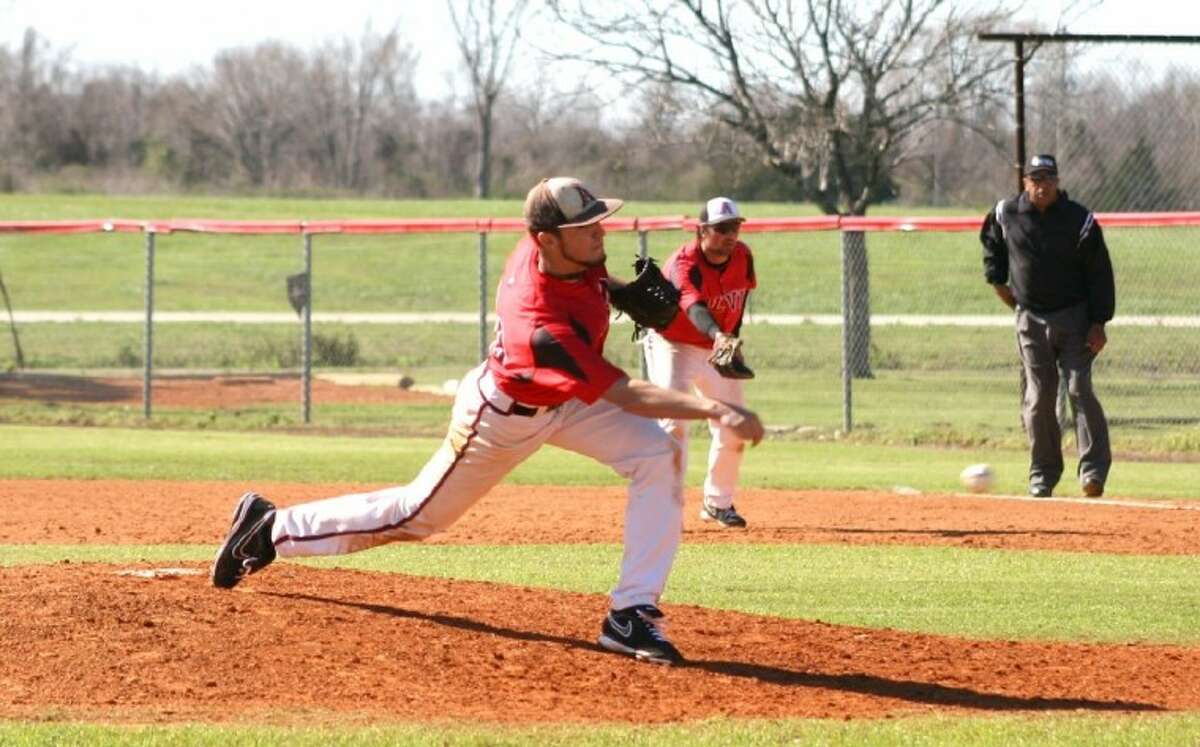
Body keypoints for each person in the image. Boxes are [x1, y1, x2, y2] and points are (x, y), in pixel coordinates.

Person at [210, 176, 765, 666]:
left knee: (658, 455)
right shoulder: (539, 323)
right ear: (548, 239)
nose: (601, 231)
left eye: (601, 220)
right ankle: (270, 530)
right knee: (415, 516)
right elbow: (625, 393)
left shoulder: (559, 253)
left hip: (566, 400)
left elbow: (598, 286)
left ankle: (631, 613)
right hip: (504, 416)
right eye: (587, 225)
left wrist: (625, 292)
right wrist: (716, 406)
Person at [980, 154, 1115, 498]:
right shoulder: (1007, 213)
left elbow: (1099, 273)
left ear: (1057, 182)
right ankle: (1043, 474)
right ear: (1024, 182)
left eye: (1048, 179)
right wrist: (998, 282)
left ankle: (1093, 472)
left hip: (1075, 317)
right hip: (1031, 317)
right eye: (1035, 179)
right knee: (1038, 398)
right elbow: (992, 242)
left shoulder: (1079, 219)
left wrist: (1099, 321)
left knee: (1078, 388)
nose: (1042, 185)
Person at [643, 197, 757, 528]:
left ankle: (717, 503)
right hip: (672, 344)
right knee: (673, 423)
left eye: (734, 227)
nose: (730, 235)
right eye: (721, 229)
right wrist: (719, 334)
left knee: (733, 423)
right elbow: (693, 307)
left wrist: (731, 340)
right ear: (702, 231)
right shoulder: (684, 263)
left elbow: (741, 297)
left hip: (716, 344)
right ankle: (664, 504)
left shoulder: (744, 256)